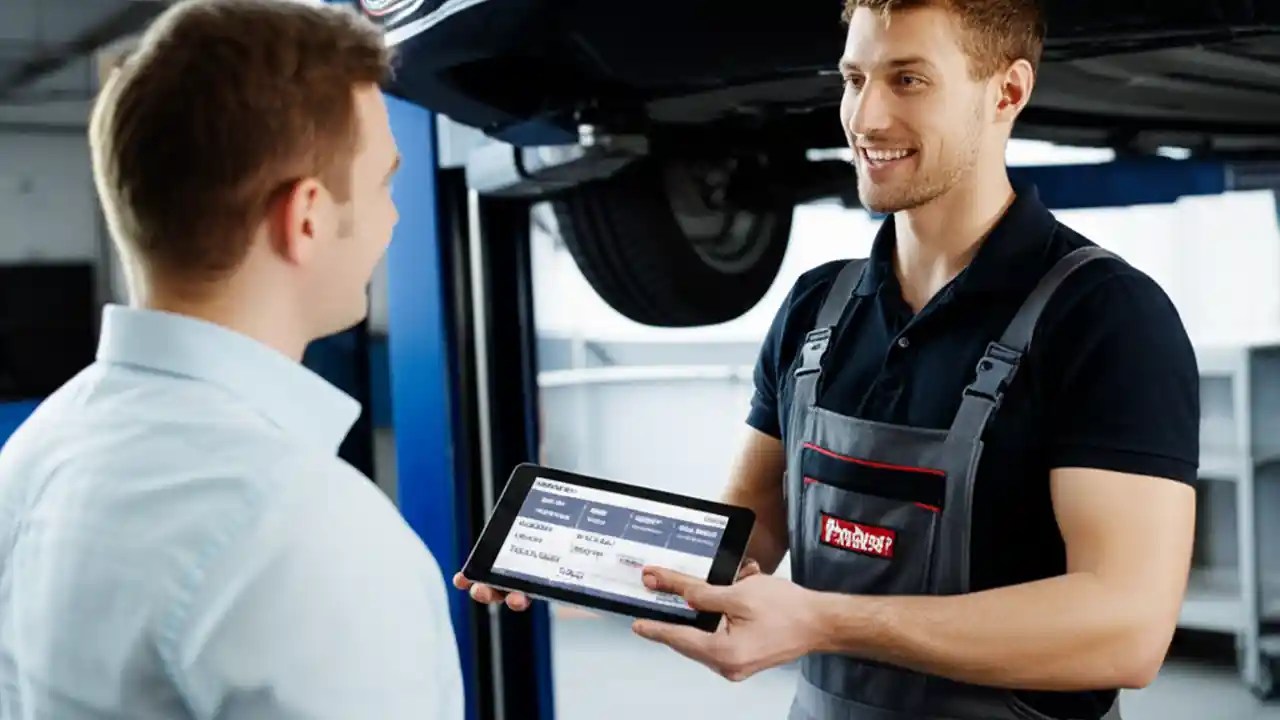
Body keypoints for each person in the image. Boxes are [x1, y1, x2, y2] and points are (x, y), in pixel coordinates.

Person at [458, 0, 1200, 719]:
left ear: (1007, 90)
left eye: (908, 79)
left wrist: (827, 621)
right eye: (854, 79)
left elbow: (1124, 631)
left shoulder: (1104, 316)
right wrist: (593, 565)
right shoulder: (819, 307)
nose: (866, 118)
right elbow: (751, 532)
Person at [0, 2, 463, 718]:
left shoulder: (34, 455)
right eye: (382, 186)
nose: (393, 218)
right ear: (306, 217)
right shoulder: (309, 530)